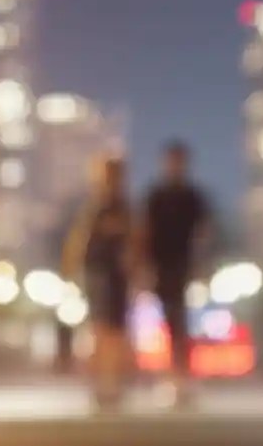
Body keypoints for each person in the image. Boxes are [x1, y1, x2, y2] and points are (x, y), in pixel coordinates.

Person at [141, 139, 211, 409]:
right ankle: (174, 375)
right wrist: (145, 267)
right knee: (170, 322)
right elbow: (145, 233)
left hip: (183, 266)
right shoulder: (156, 197)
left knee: (180, 322)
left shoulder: (193, 197)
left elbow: (204, 233)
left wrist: (200, 264)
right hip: (161, 267)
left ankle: (182, 376)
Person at [63, 154, 134, 412]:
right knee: (100, 329)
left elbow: (134, 241)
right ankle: (102, 383)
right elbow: (79, 242)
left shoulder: (123, 208)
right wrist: (72, 269)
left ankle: (112, 382)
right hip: (96, 275)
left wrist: (135, 266)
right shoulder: (94, 208)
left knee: (114, 331)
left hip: (116, 277)